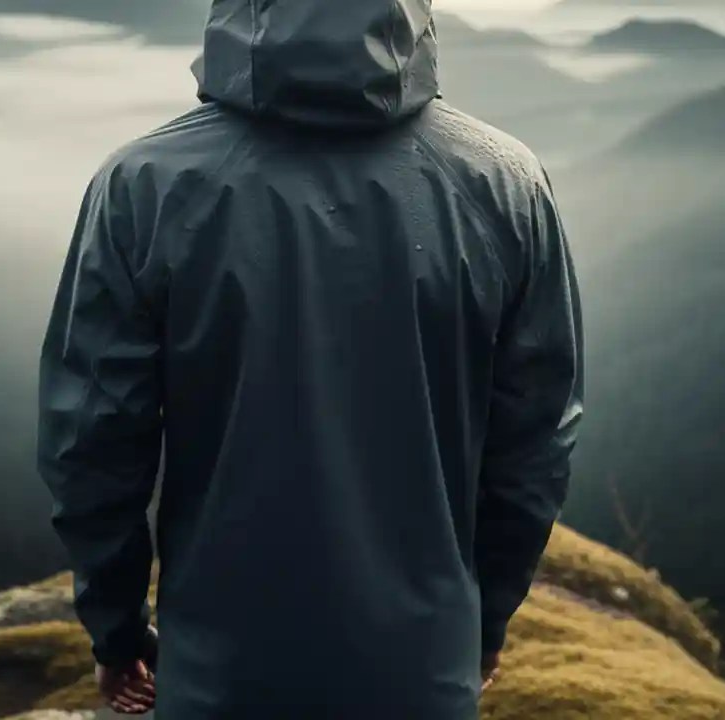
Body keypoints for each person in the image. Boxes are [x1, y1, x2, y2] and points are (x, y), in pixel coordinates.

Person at [37, 0, 584, 717]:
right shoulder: (507, 184)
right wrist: (482, 621)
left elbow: (94, 444)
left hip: (219, 676)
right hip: (421, 672)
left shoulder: (142, 188)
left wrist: (115, 630)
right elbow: (534, 446)